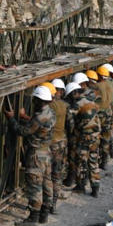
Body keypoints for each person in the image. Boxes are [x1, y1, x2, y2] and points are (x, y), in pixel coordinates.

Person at [4, 86, 55, 226]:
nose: (33, 102)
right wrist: (24, 116)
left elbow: (23, 131)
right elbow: (36, 127)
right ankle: (44, 214)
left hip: (36, 154)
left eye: (35, 100)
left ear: (39, 100)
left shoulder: (39, 116)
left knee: (35, 185)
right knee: (46, 182)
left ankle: (33, 217)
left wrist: (11, 119)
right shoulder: (50, 112)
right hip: (46, 152)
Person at [65, 81, 101, 197]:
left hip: (85, 136)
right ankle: (95, 187)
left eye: (71, 95)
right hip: (95, 136)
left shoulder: (77, 105)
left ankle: (81, 186)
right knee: (93, 161)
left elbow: (70, 122)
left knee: (81, 161)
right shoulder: (91, 100)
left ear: (75, 92)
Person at [47, 79, 69, 213]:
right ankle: (53, 203)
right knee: (57, 174)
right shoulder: (65, 105)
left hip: (51, 144)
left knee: (46, 175)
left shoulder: (50, 106)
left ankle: (46, 203)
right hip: (62, 142)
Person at [95, 66, 113, 169]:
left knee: (97, 137)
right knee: (106, 137)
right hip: (108, 112)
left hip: (100, 115)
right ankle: (105, 161)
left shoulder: (97, 86)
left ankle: (96, 159)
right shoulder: (110, 84)